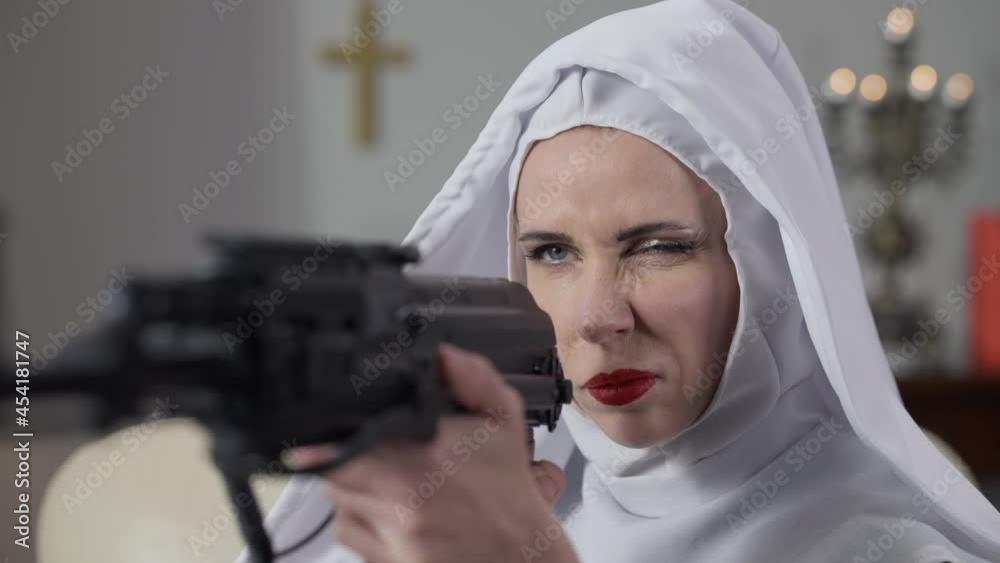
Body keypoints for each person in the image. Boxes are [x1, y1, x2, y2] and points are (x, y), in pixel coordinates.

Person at [239, 1, 1000, 561]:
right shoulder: (456, 522)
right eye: (553, 253)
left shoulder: (887, 550)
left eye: (660, 247)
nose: (598, 318)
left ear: (765, 267)